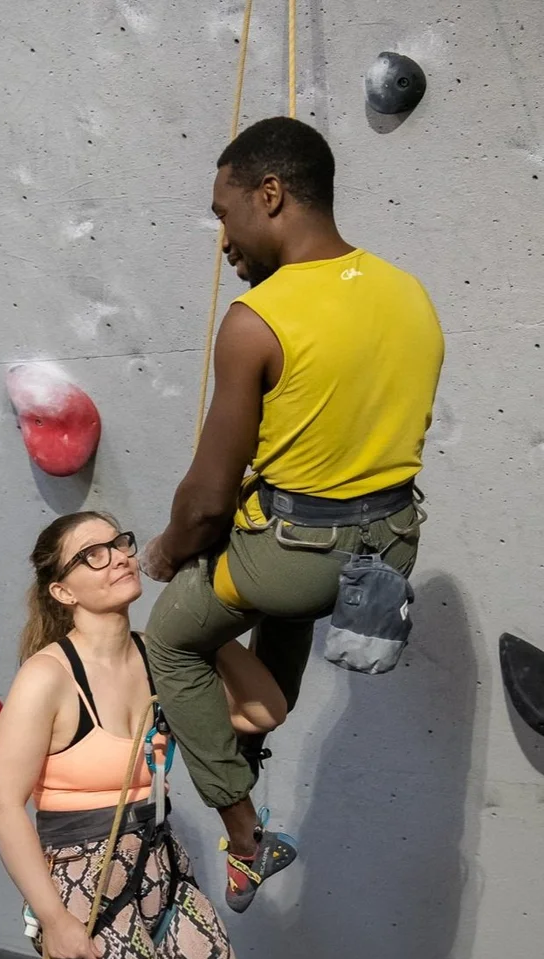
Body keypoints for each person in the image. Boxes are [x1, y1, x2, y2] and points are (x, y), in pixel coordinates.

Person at [140, 116, 445, 913]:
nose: (224, 239)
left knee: (171, 639)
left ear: (269, 194)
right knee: (279, 605)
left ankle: (244, 835)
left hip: (295, 560)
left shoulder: (257, 321)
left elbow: (207, 502)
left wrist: (169, 551)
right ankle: (247, 738)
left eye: (223, 213)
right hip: (386, 550)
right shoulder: (408, 292)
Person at [0, 511, 285, 959]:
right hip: (83, 876)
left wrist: (199, 629)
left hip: (161, 860)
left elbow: (262, 713)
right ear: (63, 592)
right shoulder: (48, 677)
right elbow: (0, 802)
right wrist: (54, 918)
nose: (119, 557)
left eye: (119, 543)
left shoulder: (160, 657)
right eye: (92, 554)